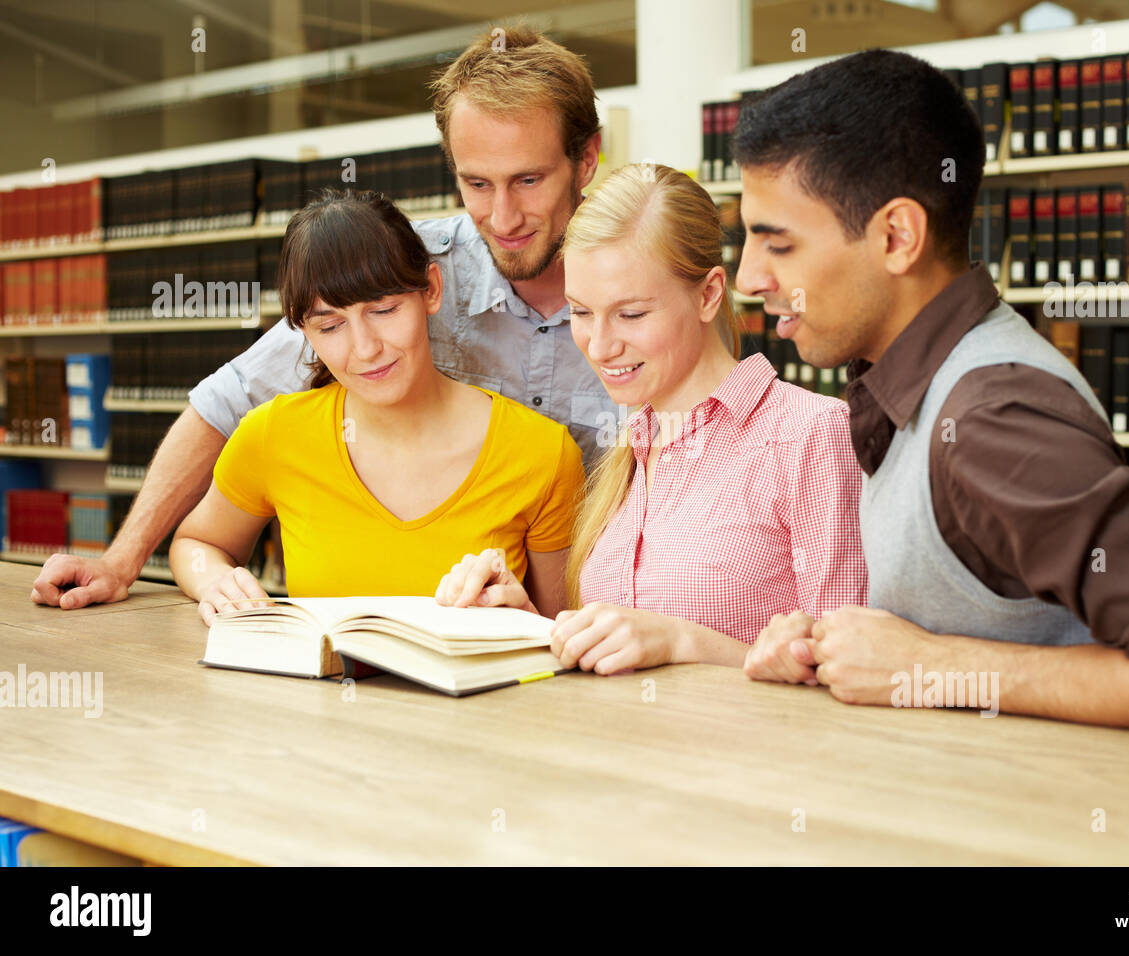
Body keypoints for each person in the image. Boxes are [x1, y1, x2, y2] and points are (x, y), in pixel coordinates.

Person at [734, 49, 1129, 732]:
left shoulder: (993, 417)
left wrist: (928, 668)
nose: (747, 278)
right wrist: (836, 654)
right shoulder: (914, 387)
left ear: (897, 237)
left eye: (776, 245)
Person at [31, 25, 614, 610]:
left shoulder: (643, 292)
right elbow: (225, 403)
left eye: (529, 179)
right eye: (477, 183)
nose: (503, 215)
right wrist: (120, 561)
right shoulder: (395, 272)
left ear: (586, 159)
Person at [436, 164, 867, 675]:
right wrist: (525, 622)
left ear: (708, 295)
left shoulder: (814, 435)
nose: (599, 345)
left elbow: (849, 675)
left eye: (631, 314)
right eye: (581, 312)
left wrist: (682, 641)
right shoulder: (632, 444)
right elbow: (624, 651)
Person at [169, 190, 582, 624]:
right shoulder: (274, 433)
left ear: (432, 291)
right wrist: (213, 580)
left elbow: (564, 628)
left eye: (384, 310)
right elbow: (196, 543)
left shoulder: (542, 453)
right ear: (304, 331)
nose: (365, 349)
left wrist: (525, 615)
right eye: (330, 325)